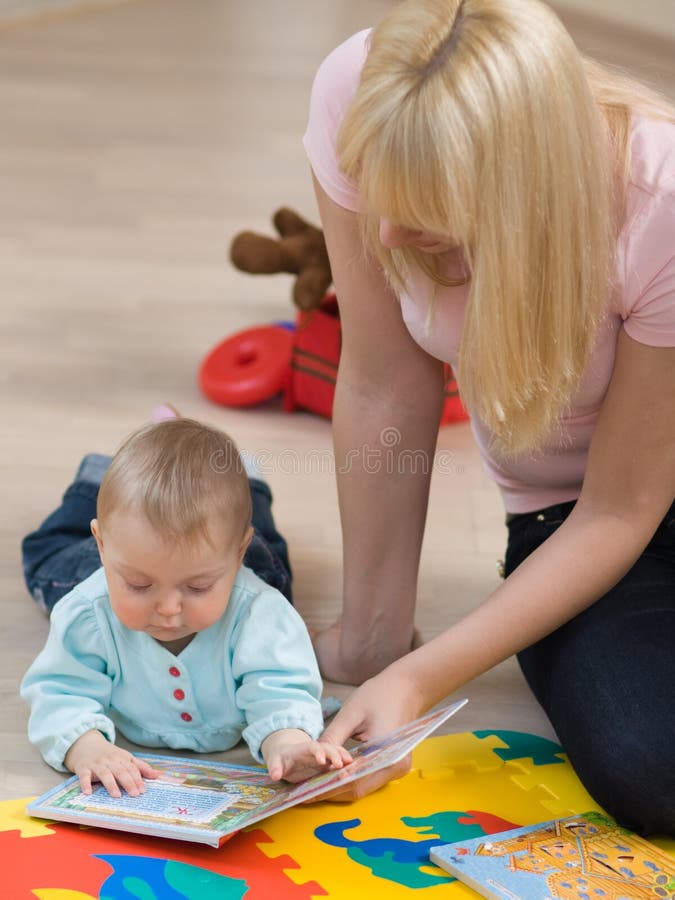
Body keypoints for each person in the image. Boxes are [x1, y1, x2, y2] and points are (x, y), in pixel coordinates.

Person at [304, 0, 675, 835]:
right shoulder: (362, 96)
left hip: (634, 498)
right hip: (577, 518)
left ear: (524, 195)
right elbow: (381, 384)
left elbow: (629, 502)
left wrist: (420, 681)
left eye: (430, 210)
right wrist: (377, 646)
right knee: (652, 770)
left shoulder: (659, 202)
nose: (388, 230)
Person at [21, 414, 350, 798]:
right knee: (46, 561)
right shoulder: (88, 612)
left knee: (272, 563)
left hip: (249, 566)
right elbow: (60, 690)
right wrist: (86, 746)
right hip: (107, 554)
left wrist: (287, 743)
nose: (168, 608)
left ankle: (251, 485)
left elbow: (279, 688)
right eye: (138, 584)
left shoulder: (261, 612)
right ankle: (96, 475)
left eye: (197, 586)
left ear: (237, 554)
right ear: (103, 546)